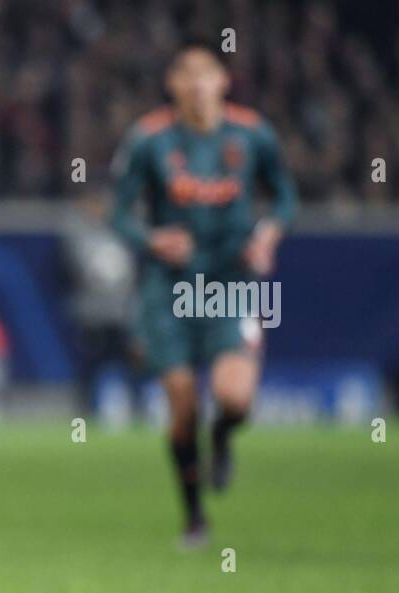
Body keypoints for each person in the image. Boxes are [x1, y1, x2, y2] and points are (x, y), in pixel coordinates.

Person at [111, 42, 296, 546]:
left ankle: (223, 436)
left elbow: (285, 195)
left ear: (224, 80)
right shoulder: (149, 140)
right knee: (182, 403)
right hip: (168, 289)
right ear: (172, 83)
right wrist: (152, 238)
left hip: (230, 284)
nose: (196, 85)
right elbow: (119, 213)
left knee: (234, 398)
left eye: (206, 73)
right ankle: (194, 517)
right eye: (186, 74)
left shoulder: (253, 133)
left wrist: (267, 234)